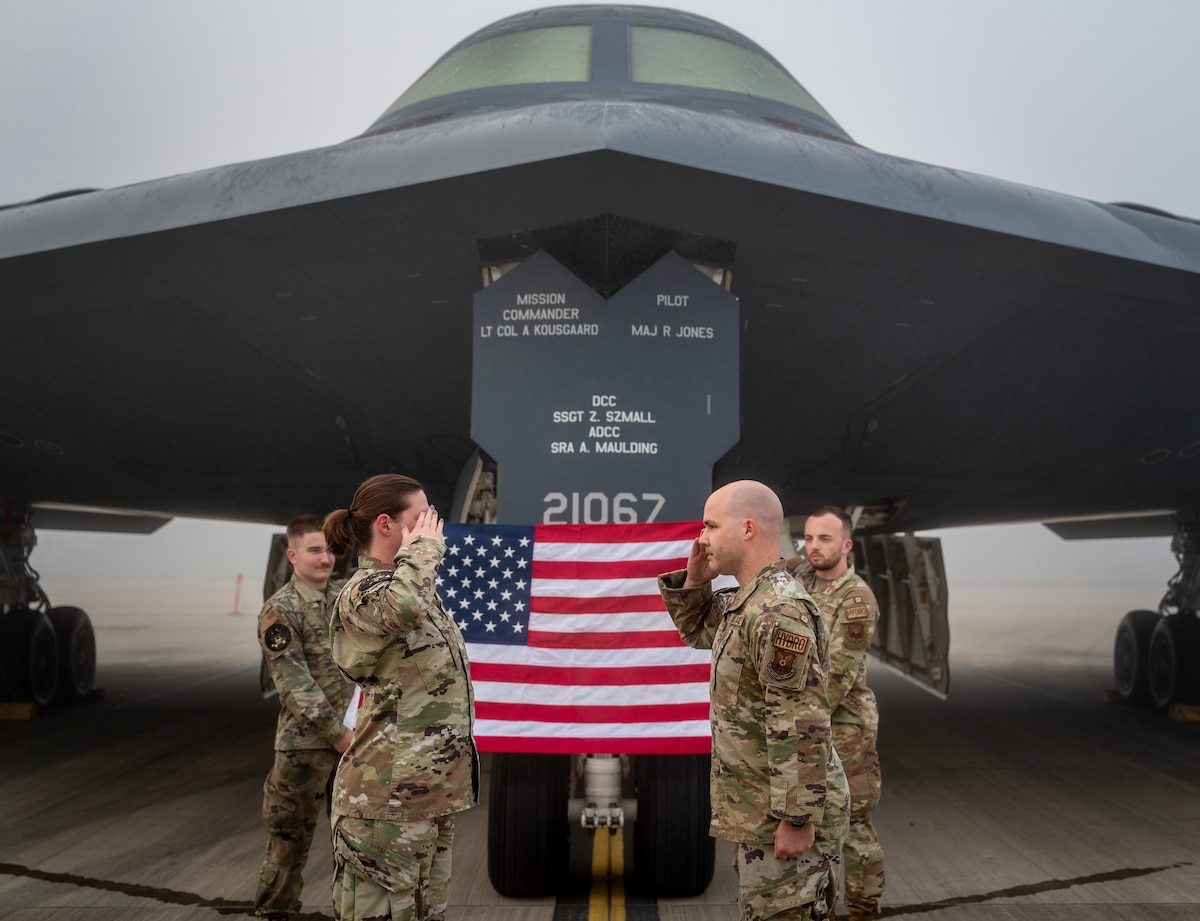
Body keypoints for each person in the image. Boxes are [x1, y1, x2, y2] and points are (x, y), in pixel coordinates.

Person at [658, 480, 848, 921]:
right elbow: (697, 632)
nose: (701, 538)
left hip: (785, 818)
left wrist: (797, 819)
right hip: (760, 811)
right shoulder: (748, 602)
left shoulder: (777, 611)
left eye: (710, 525)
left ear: (747, 528)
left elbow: (801, 722)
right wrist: (694, 581)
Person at [323, 474, 477, 921]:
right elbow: (401, 608)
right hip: (383, 806)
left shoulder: (415, 590)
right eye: (421, 518)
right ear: (386, 525)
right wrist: (425, 550)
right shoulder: (364, 593)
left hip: (427, 798)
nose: (432, 527)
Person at [254, 514, 355, 920]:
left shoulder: (344, 600)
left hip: (350, 742)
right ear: (292, 555)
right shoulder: (279, 611)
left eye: (330, 549)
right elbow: (295, 686)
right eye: (315, 550)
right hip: (305, 749)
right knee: (289, 845)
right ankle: (274, 913)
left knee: (355, 845)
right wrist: (338, 735)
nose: (325, 557)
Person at [788, 506, 884, 921]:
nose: (813, 547)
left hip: (845, 726)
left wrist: (791, 719)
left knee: (854, 826)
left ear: (846, 545)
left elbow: (839, 676)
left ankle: (864, 909)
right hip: (810, 723)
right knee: (811, 822)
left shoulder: (856, 598)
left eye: (824, 539)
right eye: (808, 538)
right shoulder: (803, 576)